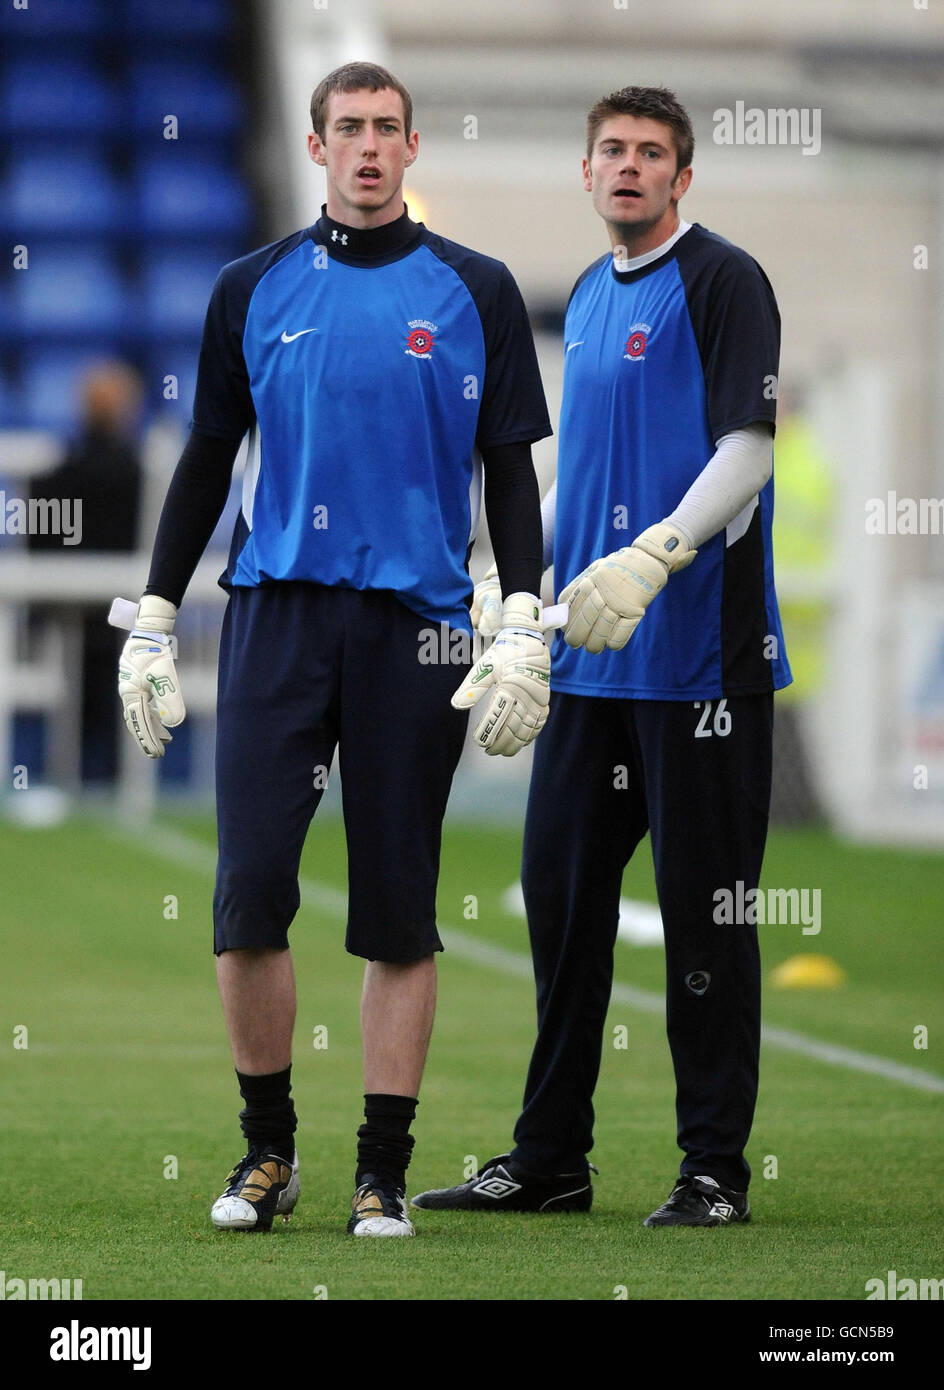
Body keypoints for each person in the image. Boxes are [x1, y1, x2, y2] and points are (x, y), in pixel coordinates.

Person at [117, 62, 551, 1237]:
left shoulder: (478, 289)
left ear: (413, 148)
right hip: (275, 616)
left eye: (384, 130)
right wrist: (154, 612)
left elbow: (507, 466)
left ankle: (382, 1167)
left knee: (398, 905)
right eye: (345, 129)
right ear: (314, 148)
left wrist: (521, 615)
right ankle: (268, 1153)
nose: (365, 148)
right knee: (249, 890)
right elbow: (207, 457)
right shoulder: (248, 286)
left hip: (416, 629)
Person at [412, 85, 792, 1227]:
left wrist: (656, 554)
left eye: (650, 154)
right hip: (584, 663)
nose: (627, 167)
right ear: (585, 174)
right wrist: (505, 587)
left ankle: (712, 1171)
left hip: (698, 665)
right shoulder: (580, 295)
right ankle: (550, 1159)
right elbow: (573, 463)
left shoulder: (724, 280)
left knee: (705, 918)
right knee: (560, 905)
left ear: (683, 178)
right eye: (610, 152)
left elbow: (750, 445)